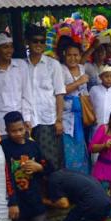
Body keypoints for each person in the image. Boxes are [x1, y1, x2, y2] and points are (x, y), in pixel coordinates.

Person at [1, 111, 55, 221]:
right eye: (13, 131)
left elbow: (49, 166)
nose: (18, 133)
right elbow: (5, 177)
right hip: (17, 202)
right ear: (7, 131)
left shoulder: (33, 146)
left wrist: (39, 167)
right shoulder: (4, 148)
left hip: (36, 200)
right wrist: (12, 201)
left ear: (25, 128)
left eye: (20, 129)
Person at [26, 25, 66, 170]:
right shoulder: (21, 65)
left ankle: (56, 191)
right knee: (29, 160)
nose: (38, 45)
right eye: (35, 41)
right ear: (28, 42)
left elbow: (59, 94)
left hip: (48, 120)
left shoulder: (53, 65)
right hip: (28, 120)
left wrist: (59, 120)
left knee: (51, 160)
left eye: (42, 41)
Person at [0, 33, 33, 135]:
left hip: (20, 120)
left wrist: (27, 118)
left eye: (11, 47)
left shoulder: (21, 66)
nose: (9, 50)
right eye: (5, 47)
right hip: (1, 123)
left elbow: (27, 94)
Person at [60, 42, 92, 174]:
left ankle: (83, 176)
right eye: (69, 55)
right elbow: (60, 90)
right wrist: (79, 82)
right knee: (68, 147)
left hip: (81, 116)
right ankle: (71, 177)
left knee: (81, 145)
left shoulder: (82, 68)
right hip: (66, 117)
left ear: (80, 56)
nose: (73, 58)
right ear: (64, 55)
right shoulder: (61, 69)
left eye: (76, 55)